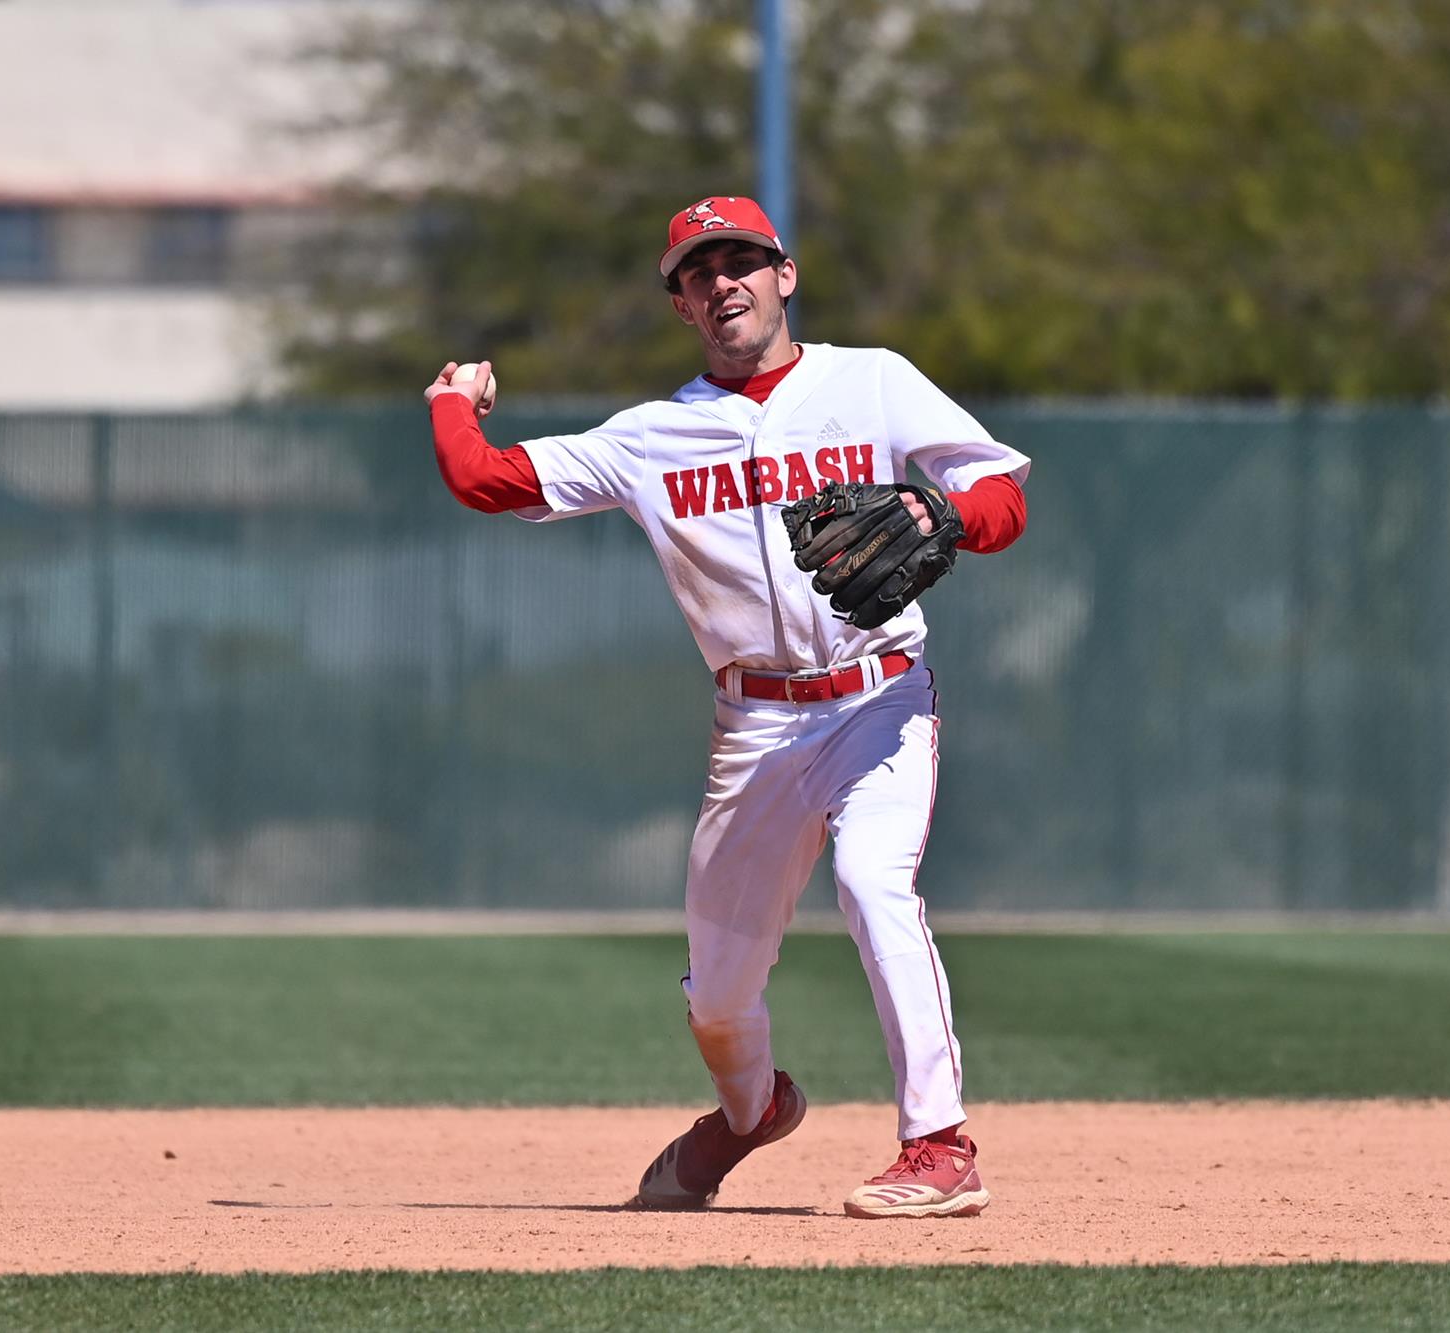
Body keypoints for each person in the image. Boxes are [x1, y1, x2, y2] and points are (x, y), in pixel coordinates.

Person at [424, 196, 1029, 1219]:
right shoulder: (652, 436)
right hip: (750, 729)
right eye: (697, 272)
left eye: (740, 260)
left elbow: (1002, 496)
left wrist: (945, 512)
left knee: (873, 883)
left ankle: (938, 1144)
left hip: (878, 699)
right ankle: (749, 1112)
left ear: (783, 275)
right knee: (717, 992)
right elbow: (484, 481)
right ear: (679, 305)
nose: (722, 281)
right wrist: (452, 399)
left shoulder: (868, 381)